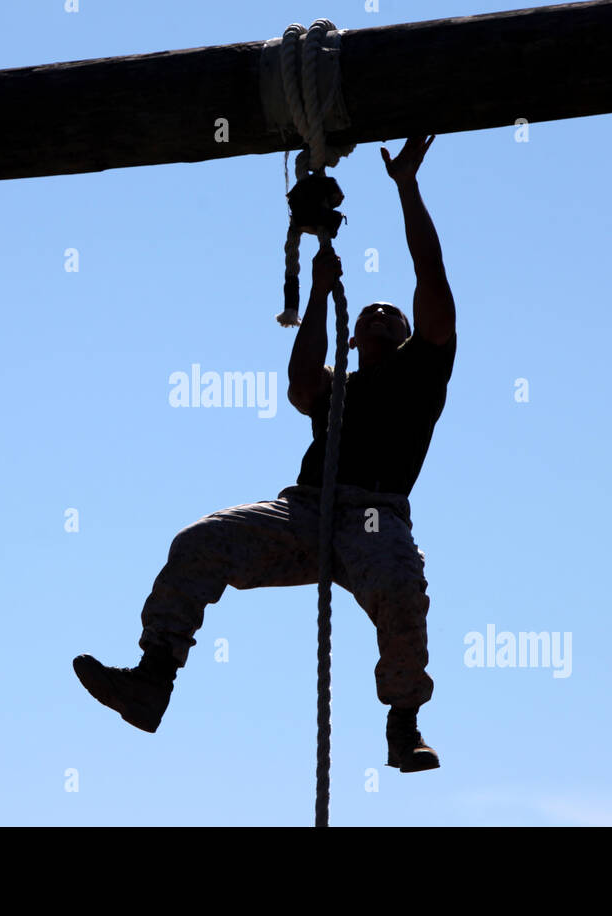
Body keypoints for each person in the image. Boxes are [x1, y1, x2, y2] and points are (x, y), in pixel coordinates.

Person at [73, 134, 458, 772]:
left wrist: (406, 188)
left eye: (394, 314)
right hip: (306, 510)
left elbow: (432, 280)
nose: (385, 313)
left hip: (371, 513)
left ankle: (403, 722)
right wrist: (316, 292)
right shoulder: (338, 387)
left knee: (398, 581)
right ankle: (152, 681)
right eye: (372, 312)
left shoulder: (423, 373)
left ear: (408, 333)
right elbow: (301, 383)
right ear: (356, 334)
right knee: (200, 541)